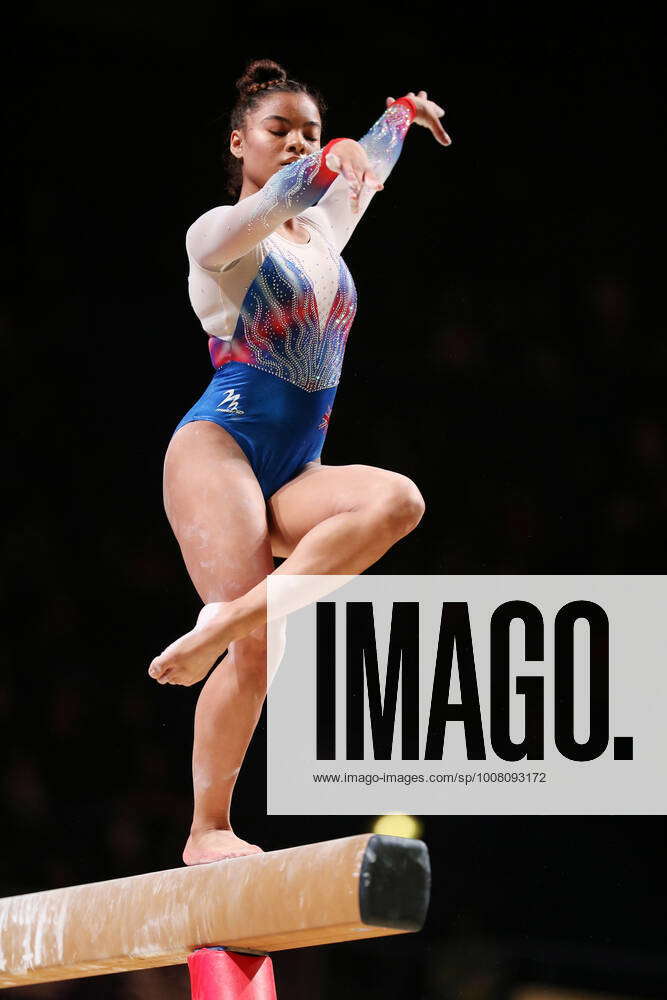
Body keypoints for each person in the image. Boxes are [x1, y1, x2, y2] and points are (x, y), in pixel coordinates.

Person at [148, 59, 451, 864]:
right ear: (239, 139)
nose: (295, 144)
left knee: (398, 502)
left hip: (297, 465)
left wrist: (397, 118)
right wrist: (330, 156)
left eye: (308, 132)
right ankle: (206, 831)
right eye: (277, 130)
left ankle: (235, 620)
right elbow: (306, 186)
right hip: (219, 448)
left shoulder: (317, 232)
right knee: (260, 654)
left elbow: (362, 176)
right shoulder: (214, 235)